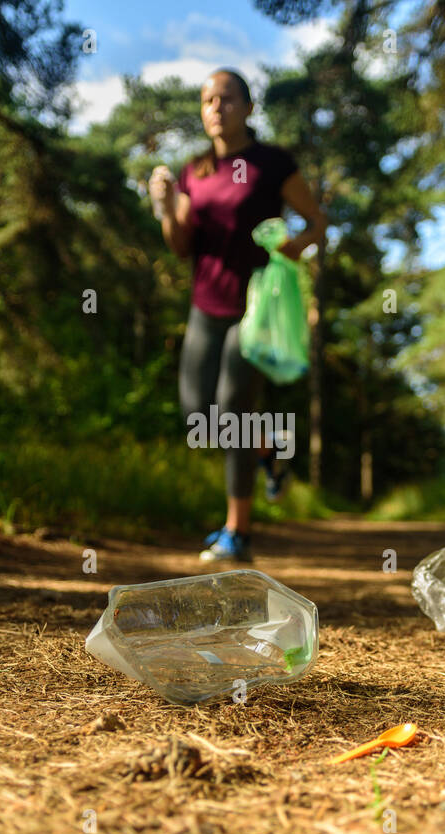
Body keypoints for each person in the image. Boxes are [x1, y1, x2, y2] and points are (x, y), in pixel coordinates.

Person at [150, 68, 327, 562]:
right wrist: (166, 209)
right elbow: (182, 246)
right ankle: (271, 449)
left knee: (233, 412)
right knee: (196, 418)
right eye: (207, 100)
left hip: (255, 307)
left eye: (227, 99)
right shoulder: (195, 171)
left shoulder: (271, 163)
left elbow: (317, 224)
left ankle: (237, 534)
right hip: (207, 305)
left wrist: (285, 252)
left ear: (249, 108)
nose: (215, 108)